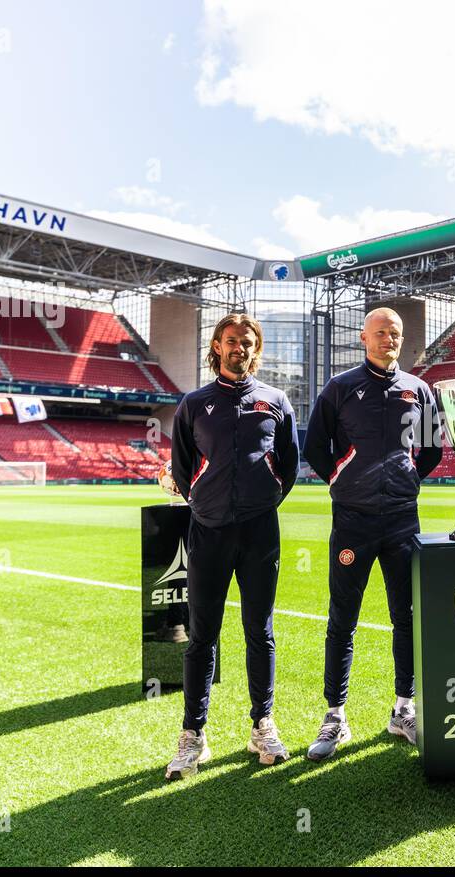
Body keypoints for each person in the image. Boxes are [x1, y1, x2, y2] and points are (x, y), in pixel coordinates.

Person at [302, 307, 443, 760]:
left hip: (403, 519)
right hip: (353, 521)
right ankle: (335, 716)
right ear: (364, 337)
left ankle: (405, 709)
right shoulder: (340, 388)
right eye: (380, 332)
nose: (388, 339)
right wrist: (343, 481)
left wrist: (408, 479)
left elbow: (432, 449)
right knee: (342, 618)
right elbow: (314, 448)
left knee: (409, 616)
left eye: (395, 333)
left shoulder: (417, 389)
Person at [164, 313, 299, 779]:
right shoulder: (194, 404)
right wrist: (205, 500)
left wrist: (261, 501)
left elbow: (289, 465)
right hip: (208, 531)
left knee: (259, 630)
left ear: (254, 349)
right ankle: (193, 735)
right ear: (217, 347)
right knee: (202, 636)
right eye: (230, 341)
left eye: (246, 341)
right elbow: (182, 469)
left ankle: (262, 725)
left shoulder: (275, 400)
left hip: (260, 532)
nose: (238, 348)